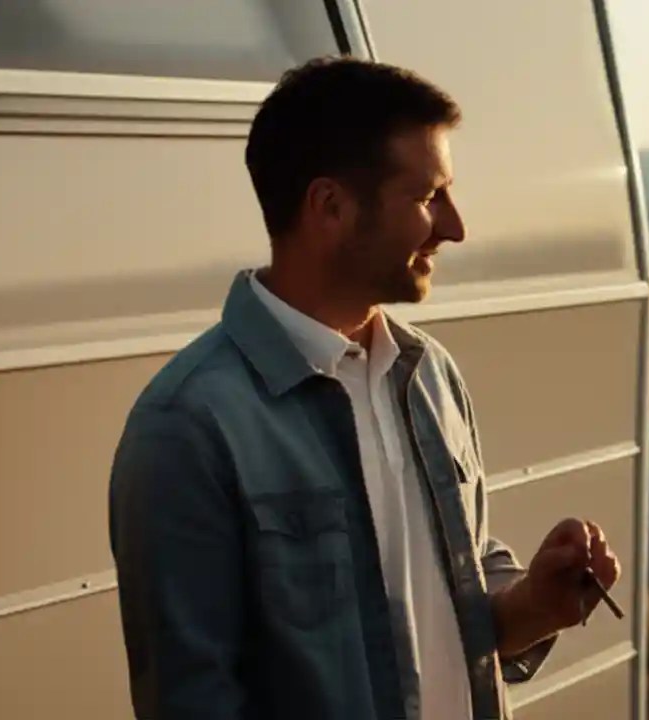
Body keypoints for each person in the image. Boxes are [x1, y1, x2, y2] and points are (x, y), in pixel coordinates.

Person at [108, 56, 621, 720]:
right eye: (429, 197)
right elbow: (191, 699)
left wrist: (535, 604)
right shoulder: (188, 426)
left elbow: (449, 599)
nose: (455, 226)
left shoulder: (429, 374)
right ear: (331, 207)